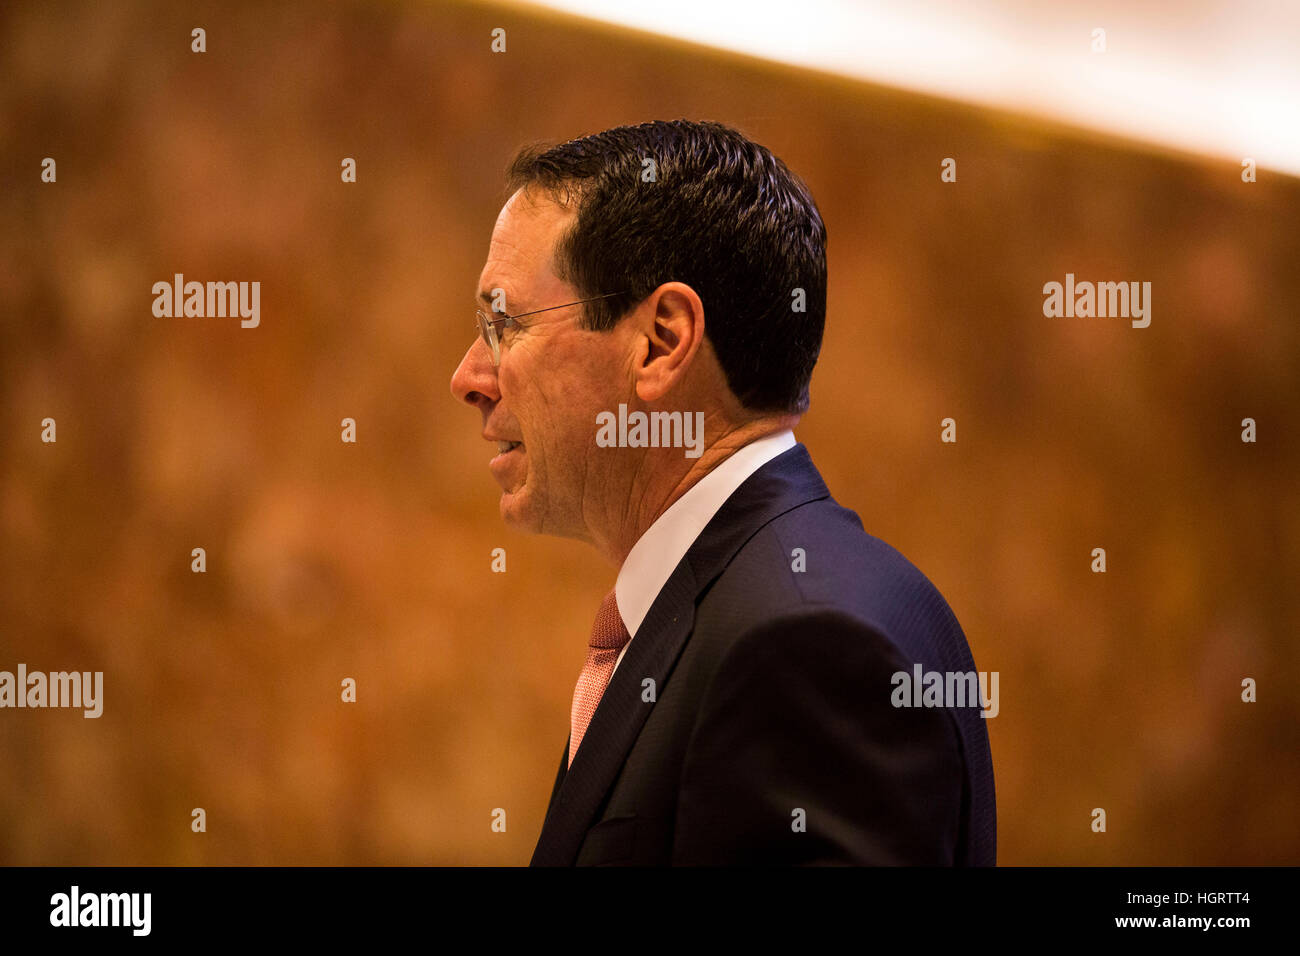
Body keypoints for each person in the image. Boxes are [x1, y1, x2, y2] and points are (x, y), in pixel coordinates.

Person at [450, 119, 995, 865]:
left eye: (504, 322)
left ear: (662, 341)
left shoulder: (804, 644)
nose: (469, 380)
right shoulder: (759, 600)